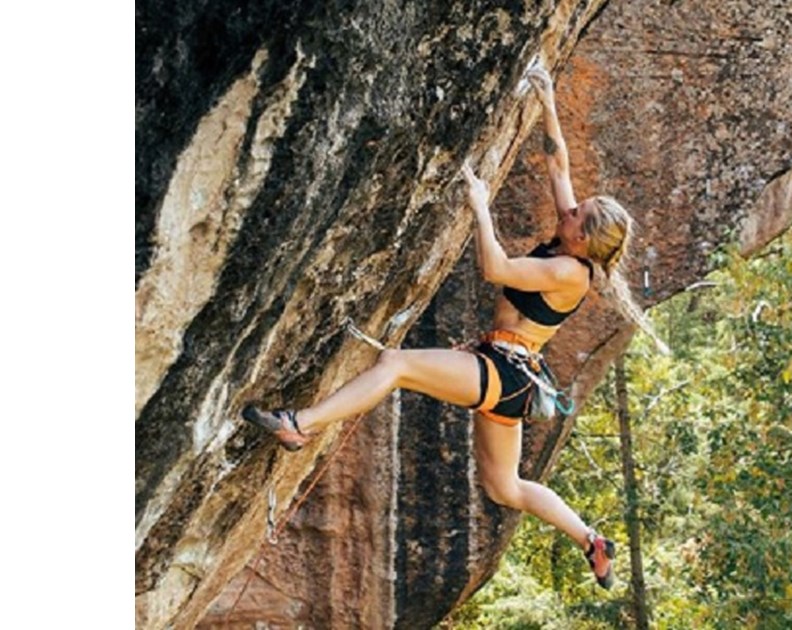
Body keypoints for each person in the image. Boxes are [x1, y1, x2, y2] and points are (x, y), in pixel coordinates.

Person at [241, 66, 667, 590]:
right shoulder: (570, 244)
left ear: (584, 240)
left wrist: (481, 208)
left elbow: (497, 270)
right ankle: (589, 540)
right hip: (513, 375)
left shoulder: (567, 272)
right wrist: (548, 101)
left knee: (396, 365)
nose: (573, 207)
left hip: (504, 373)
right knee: (505, 487)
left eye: (580, 213)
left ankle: (300, 424)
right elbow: (560, 170)